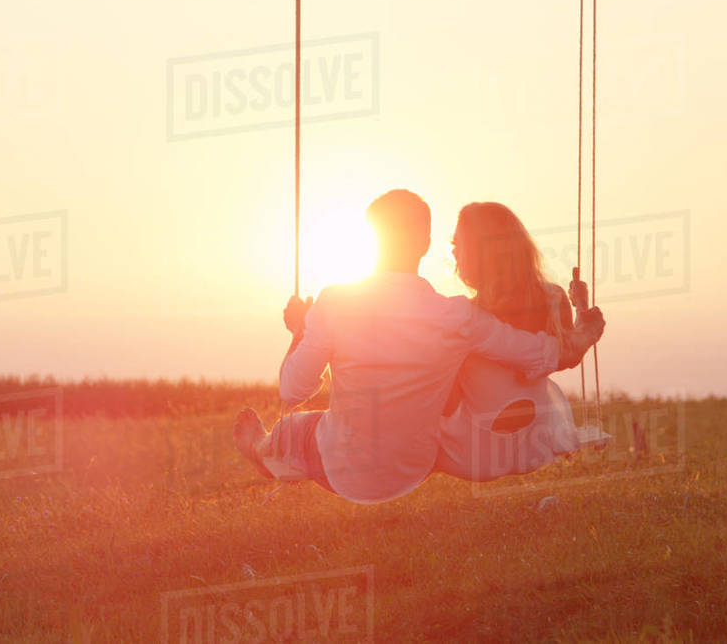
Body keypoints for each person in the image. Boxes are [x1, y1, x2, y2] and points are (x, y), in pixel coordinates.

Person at [233, 189, 605, 503]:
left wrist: (302, 331)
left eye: (457, 245)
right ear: (425, 244)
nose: (453, 253)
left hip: (355, 471)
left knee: (298, 428)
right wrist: (582, 331)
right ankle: (271, 449)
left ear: (369, 238)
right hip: (422, 464)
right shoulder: (459, 317)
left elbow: (292, 390)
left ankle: (262, 449)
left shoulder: (336, 302)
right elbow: (543, 353)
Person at [434, 202, 609, 483]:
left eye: (458, 244)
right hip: (534, 446)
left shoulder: (466, 320)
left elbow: (448, 402)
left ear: (480, 252)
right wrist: (581, 310)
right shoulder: (552, 300)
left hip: (477, 452)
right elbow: (568, 354)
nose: (452, 252)